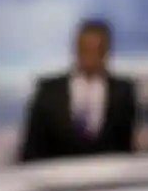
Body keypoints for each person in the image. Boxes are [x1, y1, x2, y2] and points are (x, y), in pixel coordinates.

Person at [19, 20, 137, 162]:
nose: (90, 56)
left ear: (106, 51)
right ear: (76, 49)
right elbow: (32, 147)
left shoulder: (123, 91)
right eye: (85, 49)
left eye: (97, 49)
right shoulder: (49, 90)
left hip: (107, 172)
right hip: (56, 172)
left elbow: (126, 146)